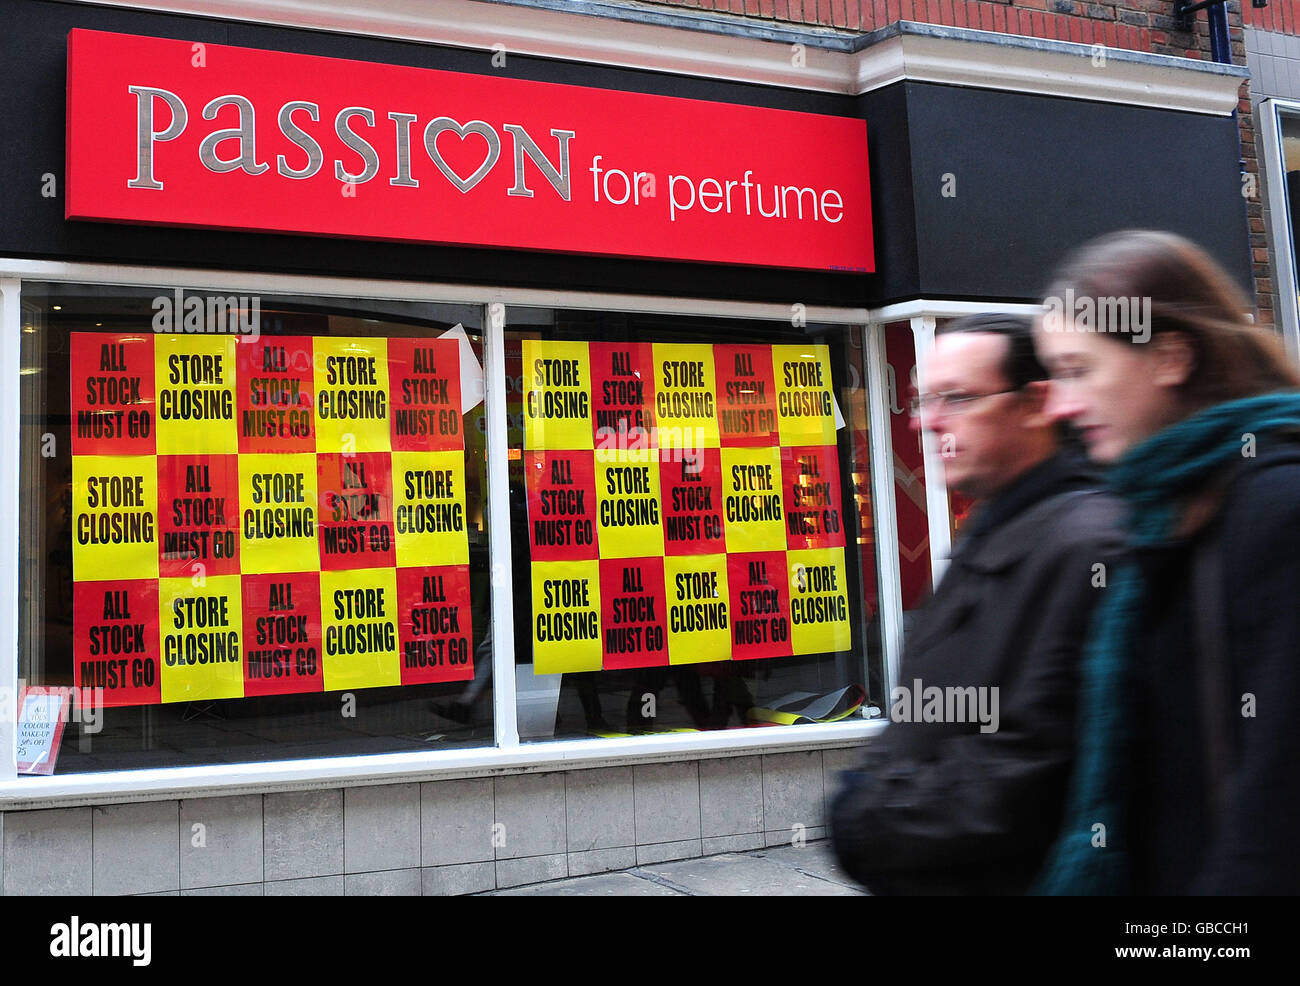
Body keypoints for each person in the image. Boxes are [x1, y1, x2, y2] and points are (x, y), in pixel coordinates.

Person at [1032, 229, 1300, 895]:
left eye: (1079, 370)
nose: (1060, 406)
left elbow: (1275, 814)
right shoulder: (1160, 514)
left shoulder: (1276, 508)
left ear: (1170, 358)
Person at [829, 313, 1125, 894]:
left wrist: (870, 816)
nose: (928, 421)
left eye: (958, 398)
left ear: (1035, 403)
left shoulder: (1087, 545)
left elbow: (1031, 767)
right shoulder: (995, 529)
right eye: (923, 400)